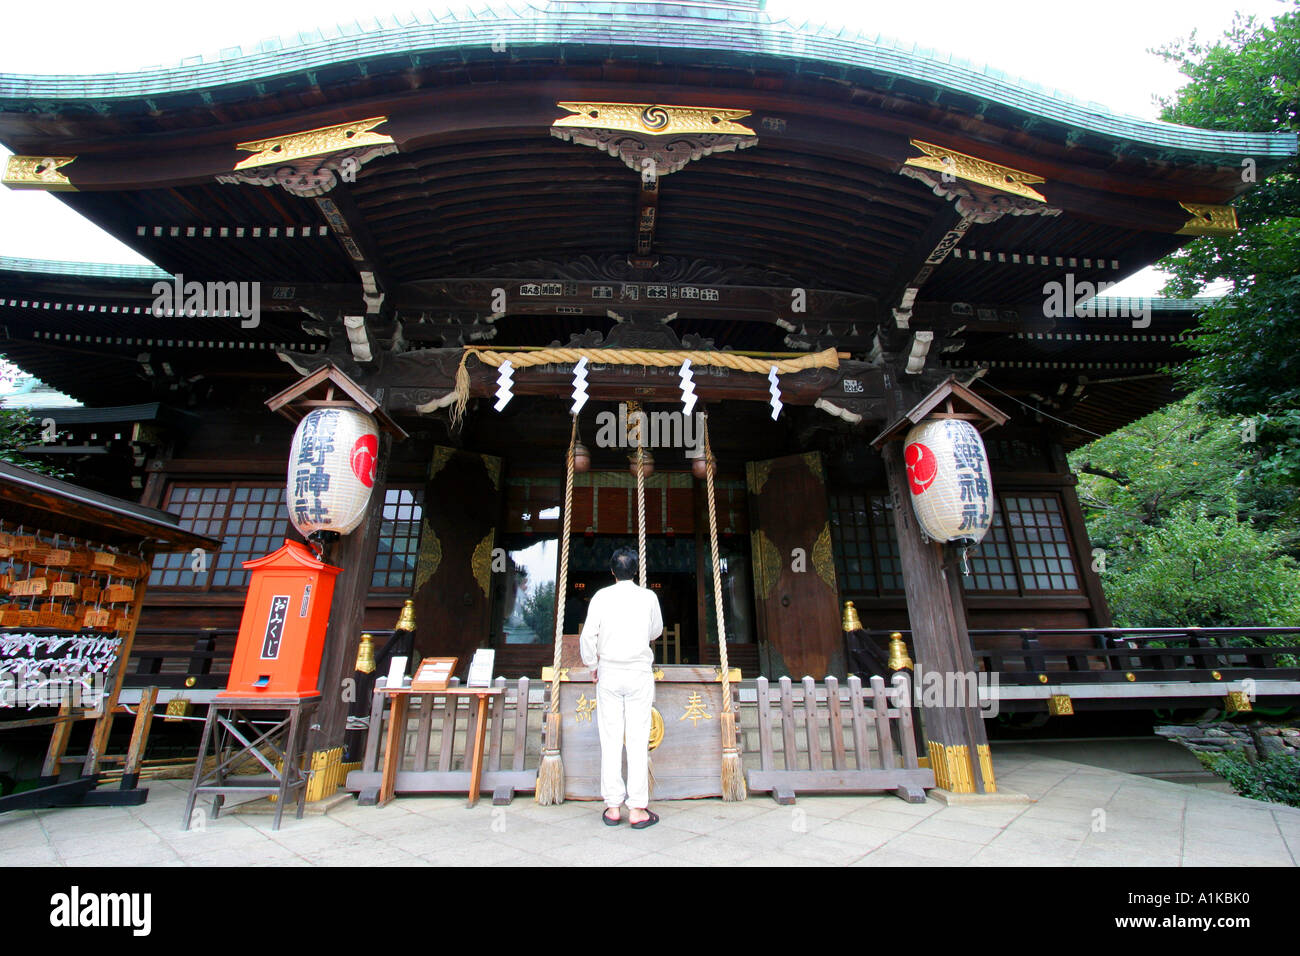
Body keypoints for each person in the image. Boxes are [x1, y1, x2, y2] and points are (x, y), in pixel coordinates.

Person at [579, 547, 663, 828]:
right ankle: (638, 808)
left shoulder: (602, 597)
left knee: (611, 738)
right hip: (638, 672)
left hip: (610, 673)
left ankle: (613, 806)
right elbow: (656, 631)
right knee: (638, 739)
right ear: (636, 570)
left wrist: (592, 665)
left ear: (612, 571)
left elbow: (588, 635)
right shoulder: (648, 597)